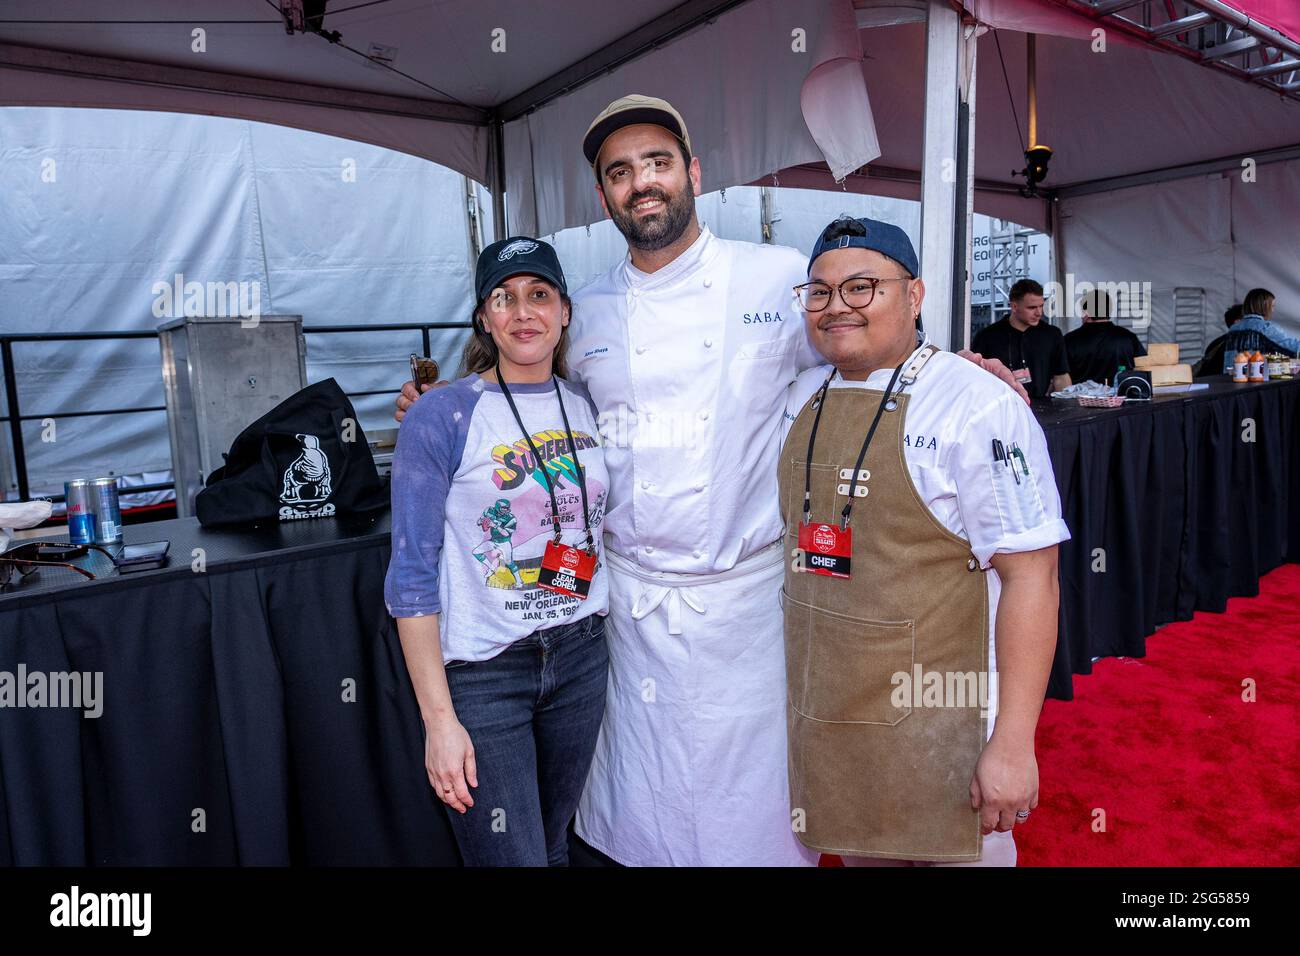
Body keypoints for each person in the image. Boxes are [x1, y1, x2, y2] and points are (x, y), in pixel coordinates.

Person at [395, 95, 1027, 867]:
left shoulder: (776, 279)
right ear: (605, 198)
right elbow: (522, 383)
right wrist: (439, 404)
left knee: (756, 820)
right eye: (620, 173)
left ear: (692, 173)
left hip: (747, 607)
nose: (642, 183)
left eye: (657, 163)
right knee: (640, 814)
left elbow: (862, 341)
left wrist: (954, 369)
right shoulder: (583, 308)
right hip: (626, 610)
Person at [781, 216, 1069, 866]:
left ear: (914, 295)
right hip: (839, 728)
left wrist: (1014, 742)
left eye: (863, 287)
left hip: (952, 735)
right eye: (820, 292)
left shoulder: (977, 404)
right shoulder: (799, 396)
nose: (837, 308)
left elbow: (1034, 577)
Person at [384, 237, 611, 866]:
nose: (523, 312)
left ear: (564, 310)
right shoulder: (441, 416)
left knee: (555, 843)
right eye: (503, 298)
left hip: (582, 655)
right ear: (485, 318)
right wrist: (438, 719)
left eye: (539, 294)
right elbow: (410, 576)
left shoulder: (587, 403)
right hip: (487, 674)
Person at [971, 279, 1071, 398]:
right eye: (1032, 307)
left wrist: (1066, 406)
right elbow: (976, 378)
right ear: (1014, 306)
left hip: (1042, 409)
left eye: (1041, 306)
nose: (1039, 313)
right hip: (1002, 407)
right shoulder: (987, 336)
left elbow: (1061, 376)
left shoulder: (1052, 334)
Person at [1063, 289, 1147, 385]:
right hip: (1120, 398)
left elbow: (1061, 376)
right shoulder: (1128, 337)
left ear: (1087, 313)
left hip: (1080, 399)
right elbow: (1142, 371)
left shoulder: (1069, 340)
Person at [1222, 288, 1300, 364]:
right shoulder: (1265, 327)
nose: (1273, 310)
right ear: (1264, 307)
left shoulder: (1233, 329)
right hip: (1257, 375)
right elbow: (1294, 348)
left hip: (1232, 376)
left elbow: (1229, 361)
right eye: (1272, 306)